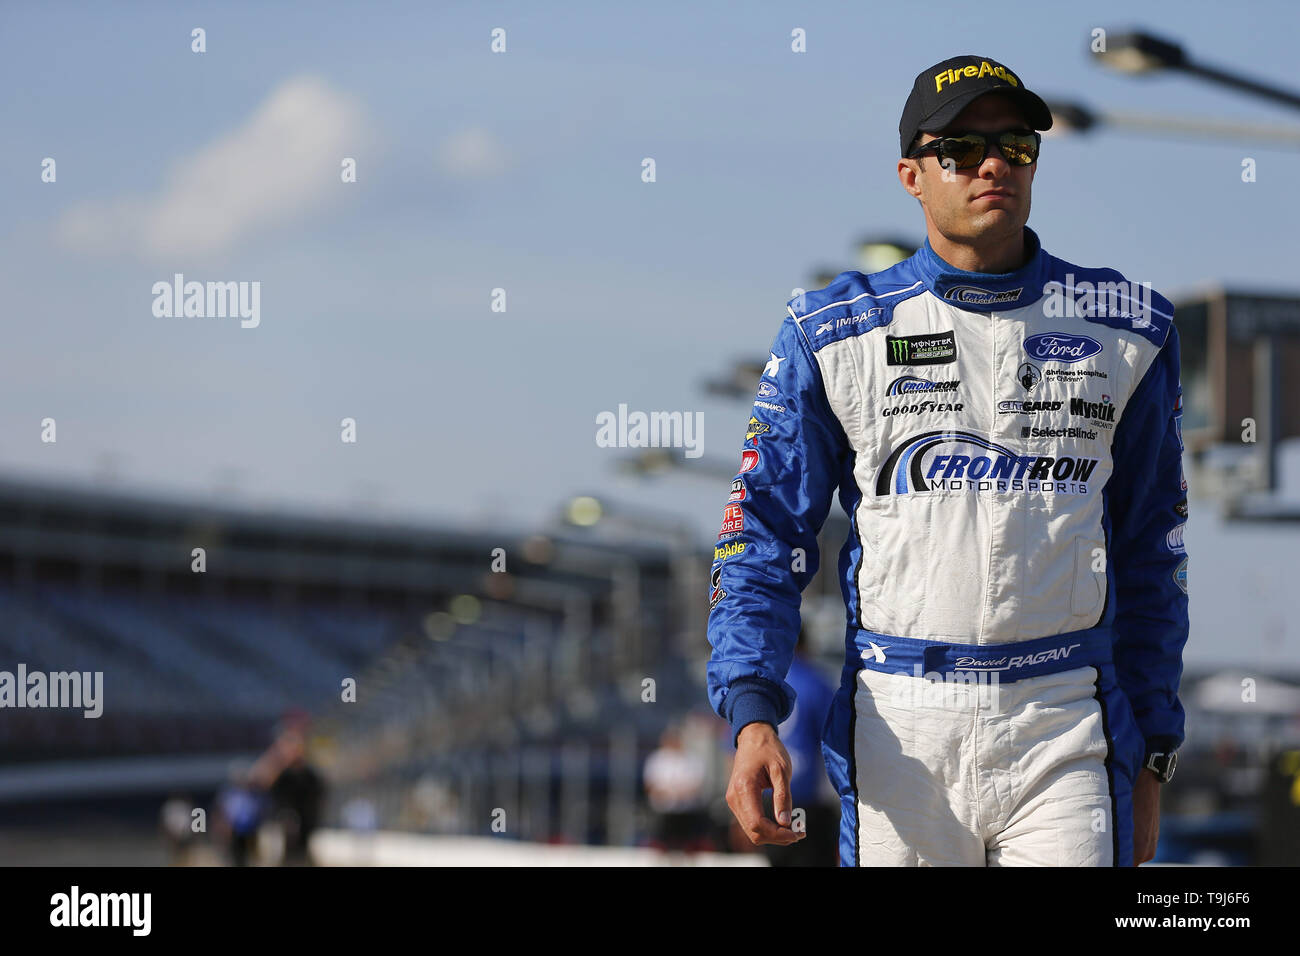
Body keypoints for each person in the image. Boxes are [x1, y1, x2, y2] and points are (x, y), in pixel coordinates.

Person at [707, 54, 1187, 867]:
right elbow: (761, 534)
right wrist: (754, 714)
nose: (993, 163)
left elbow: (1153, 553)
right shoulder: (834, 330)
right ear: (912, 175)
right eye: (962, 148)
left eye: (1017, 144)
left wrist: (1155, 752)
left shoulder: (1127, 330)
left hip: (1067, 715)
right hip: (900, 721)